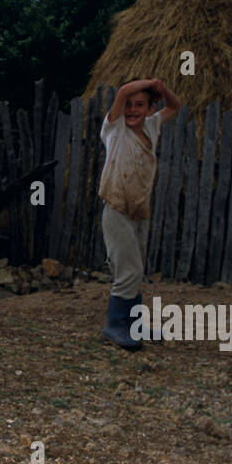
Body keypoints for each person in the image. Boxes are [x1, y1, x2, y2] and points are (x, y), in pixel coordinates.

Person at [98, 77, 181, 349]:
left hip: (139, 210)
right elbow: (122, 91)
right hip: (117, 206)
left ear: (149, 109)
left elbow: (175, 105)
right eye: (130, 105)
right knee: (128, 269)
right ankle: (114, 325)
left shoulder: (152, 125)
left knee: (138, 269)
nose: (133, 110)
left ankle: (134, 323)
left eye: (140, 105)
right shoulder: (114, 129)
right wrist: (150, 82)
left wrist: (162, 89)